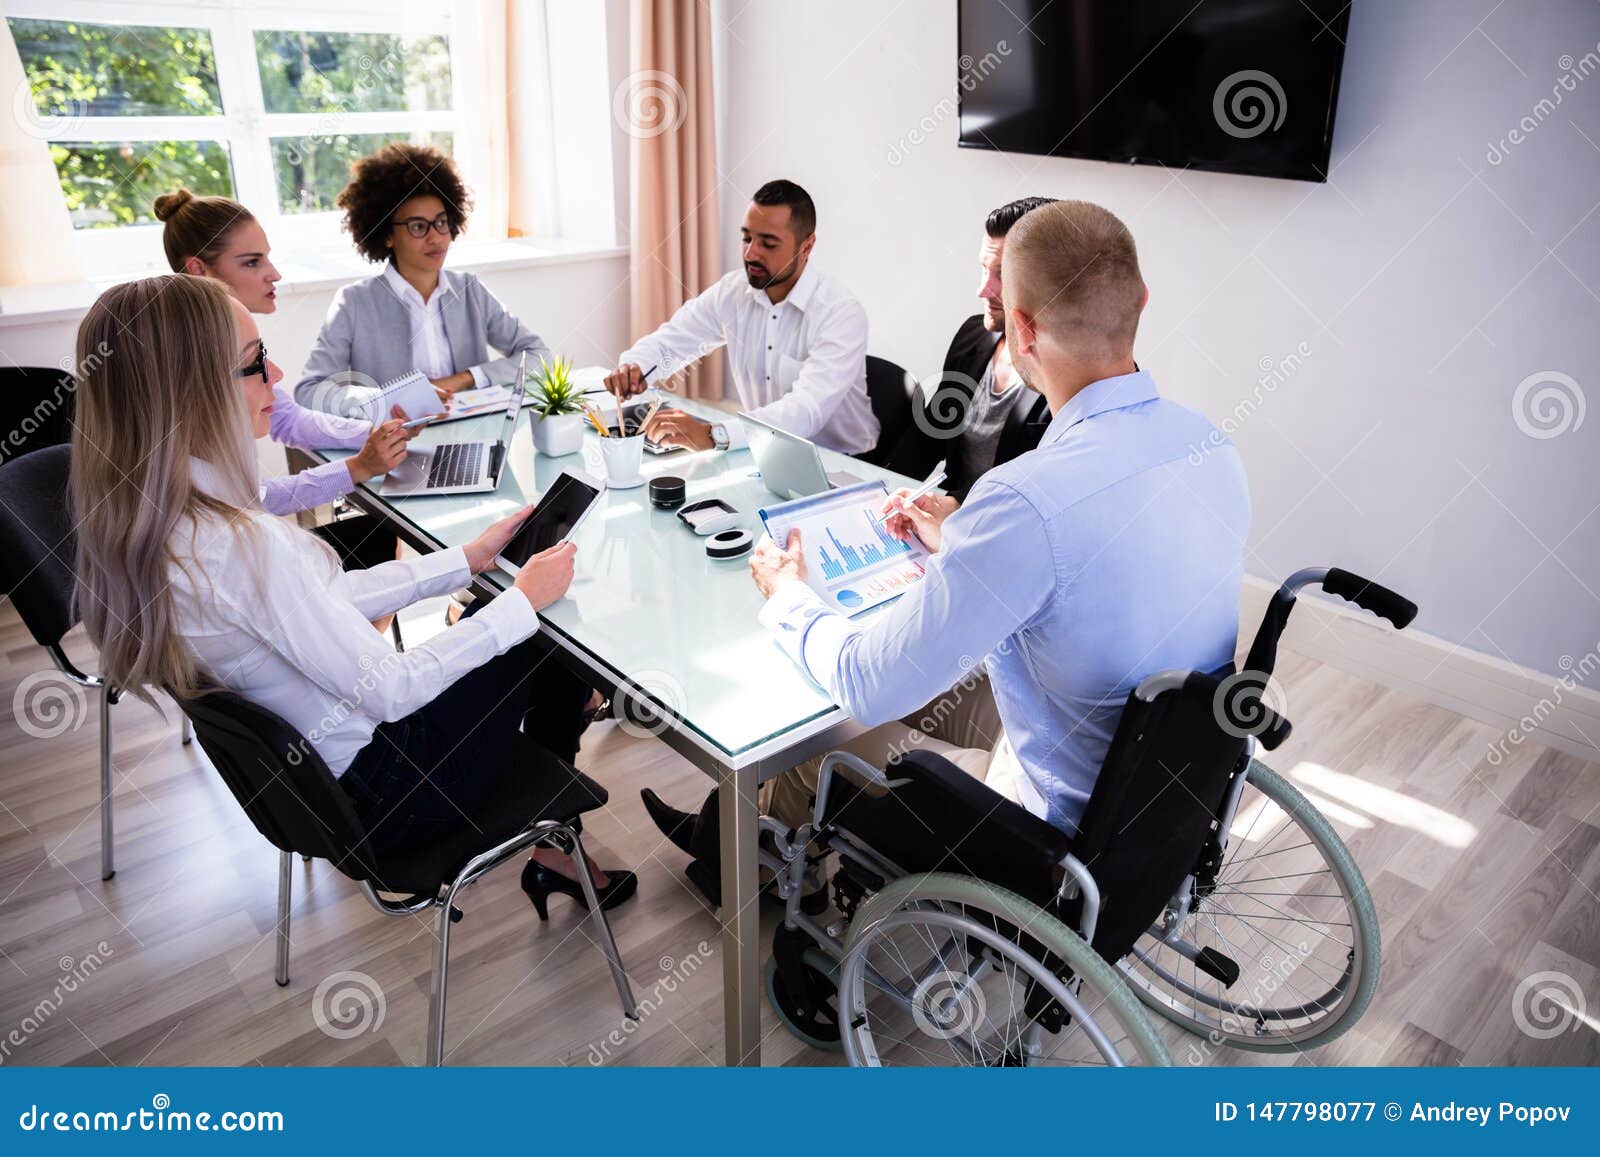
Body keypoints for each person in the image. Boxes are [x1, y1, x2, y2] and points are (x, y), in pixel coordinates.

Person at [642, 200, 1249, 905]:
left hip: (1053, 829)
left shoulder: (1027, 496)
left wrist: (787, 598)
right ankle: (740, 843)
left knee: (832, 697)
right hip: (1159, 793)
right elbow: (1091, 572)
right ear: (1141, 302)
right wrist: (965, 535)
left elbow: (872, 684)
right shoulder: (1210, 445)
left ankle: (755, 858)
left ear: (1020, 329)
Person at [70, 274, 636, 916]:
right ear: (189, 391)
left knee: (506, 616)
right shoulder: (242, 545)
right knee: (553, 638)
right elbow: (392, 690)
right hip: (395, 792)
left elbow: (321, 600)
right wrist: (523, 604)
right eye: (256, 362)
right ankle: (555, 834)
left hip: (324, 784)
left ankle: (552, 795)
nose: (276, 373)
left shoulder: (161, 518)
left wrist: (468, 560)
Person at [153, 188, 417, 550]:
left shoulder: (224, 345)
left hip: (241, 540)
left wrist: (374, 435)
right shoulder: (199, 369)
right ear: (198, 269)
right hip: (226, 557)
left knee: (379, 538)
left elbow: (289, 420)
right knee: (378, 542)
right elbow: (256, 498)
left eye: (268, 259)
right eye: (252, 262)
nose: (273, 274)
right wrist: (358, 466)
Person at [605, 179, 877, 455]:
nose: (750, 253)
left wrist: (714, 434)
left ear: (806, 247)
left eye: (768, 244)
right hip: (766, 451)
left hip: (846, 463)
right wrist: (636, 367)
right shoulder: (733, 292)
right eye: (747, 238)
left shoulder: (840, 313)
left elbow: (805, 411)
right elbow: (671, 343)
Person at [293, 143, 552, 414]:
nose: (435, 237)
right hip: (396, 447)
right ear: (387, 235)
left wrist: (465, 379)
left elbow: (538, 355)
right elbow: (310, 390)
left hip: (472, 434)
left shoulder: (469, 290)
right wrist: (393, 398)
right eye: (418, 226)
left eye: (441, 222)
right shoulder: (355, 302)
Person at [885, 196, 1057, 501]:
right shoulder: (973, 336)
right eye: (984, 269)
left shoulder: (1070, 374)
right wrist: (879, 492)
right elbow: (929, 436)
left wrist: (953, 510)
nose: (983, 290)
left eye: (1002, 275)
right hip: (948, 522)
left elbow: (1041, 495)